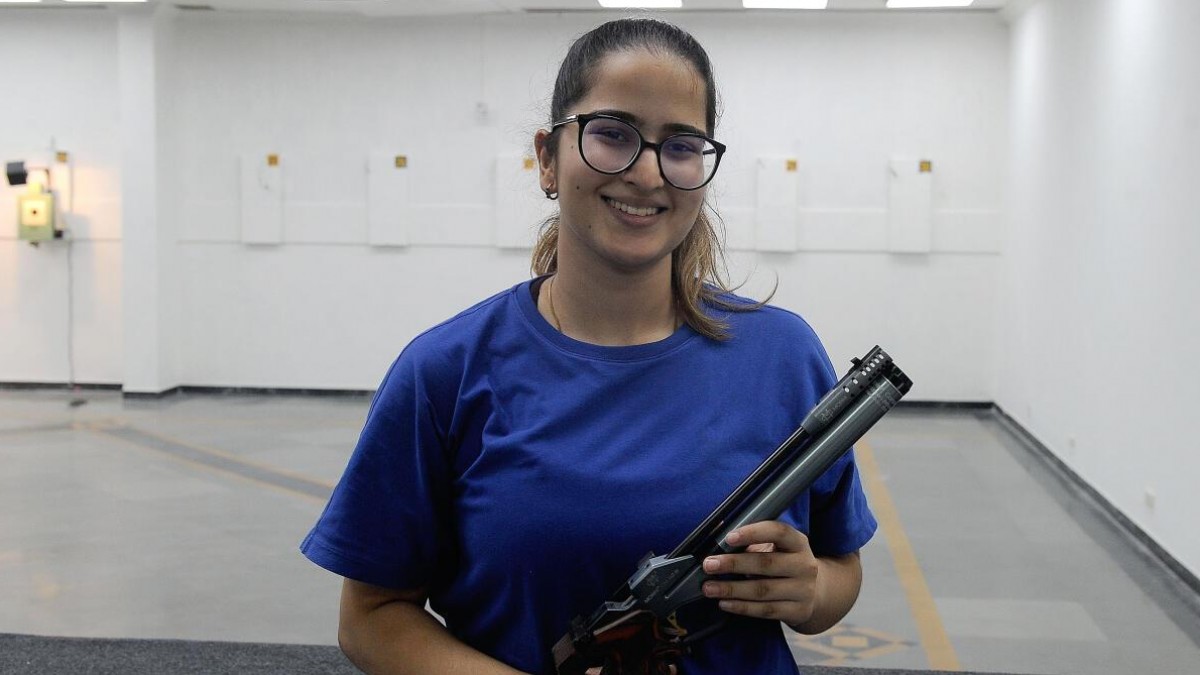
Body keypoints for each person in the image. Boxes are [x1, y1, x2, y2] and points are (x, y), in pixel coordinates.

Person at [301, 17, 876, 675]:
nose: (648, 173)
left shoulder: (784, 354)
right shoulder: (445, 372)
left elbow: (840, 568)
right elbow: (371, 618)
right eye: (612, 134)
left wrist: (811, 591)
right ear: (548, 158)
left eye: (680, 145)